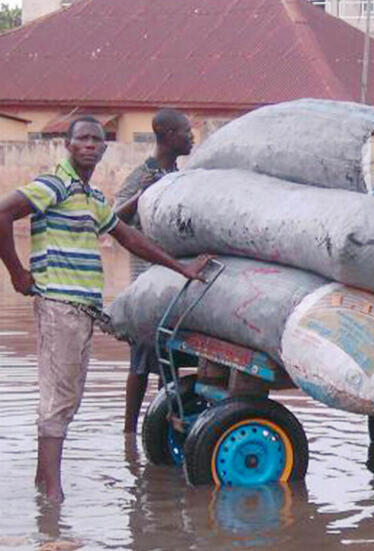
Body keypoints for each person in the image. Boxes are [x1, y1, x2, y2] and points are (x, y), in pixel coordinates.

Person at [0, 116, 209, 502]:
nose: (90, 145)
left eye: (97, 140)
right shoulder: (55, 185)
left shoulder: (91, 196)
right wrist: (16, 272)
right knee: (60, 398)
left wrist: (182, 268)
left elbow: (128, 237)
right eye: (82, 139)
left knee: (68, 398)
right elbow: (3, 211)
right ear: (67, 144)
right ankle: (53, 496)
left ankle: (43, 483)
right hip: (59, 304)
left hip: (82, 308)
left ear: (104, 147)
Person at [115, 108, 194, 434]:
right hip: (146, 281)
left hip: (174, 281)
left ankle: (161, 430)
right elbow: (113, 220)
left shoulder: (178, 175)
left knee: (168, 359)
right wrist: (142, 194)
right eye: (186, 131)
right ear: (168, 135)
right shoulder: (144, 175)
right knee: (141, 360)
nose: (191, 137)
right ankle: (129, 433)